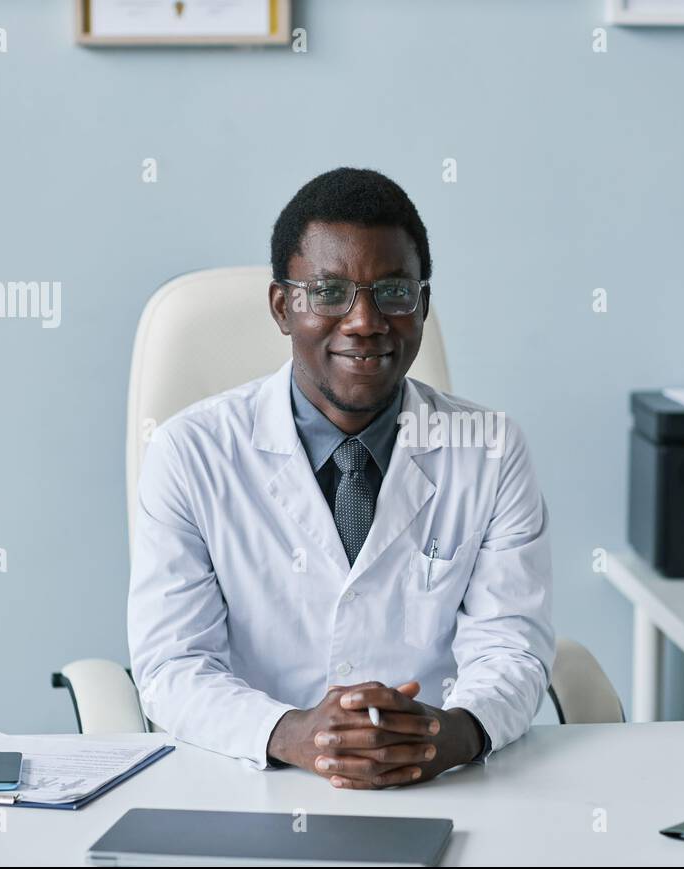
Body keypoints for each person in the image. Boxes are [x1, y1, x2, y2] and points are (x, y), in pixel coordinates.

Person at [128, 167, 554, 789]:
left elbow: (512, 649)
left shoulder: (490, 449)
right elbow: (172, 665)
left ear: (422, 306)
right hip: (250, 780)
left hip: (440, 782)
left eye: (393, 292)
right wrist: (293, 734)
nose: (364, 321)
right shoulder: (190, 453)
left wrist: (449, 735)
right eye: (329, 292)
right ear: (283, 306)